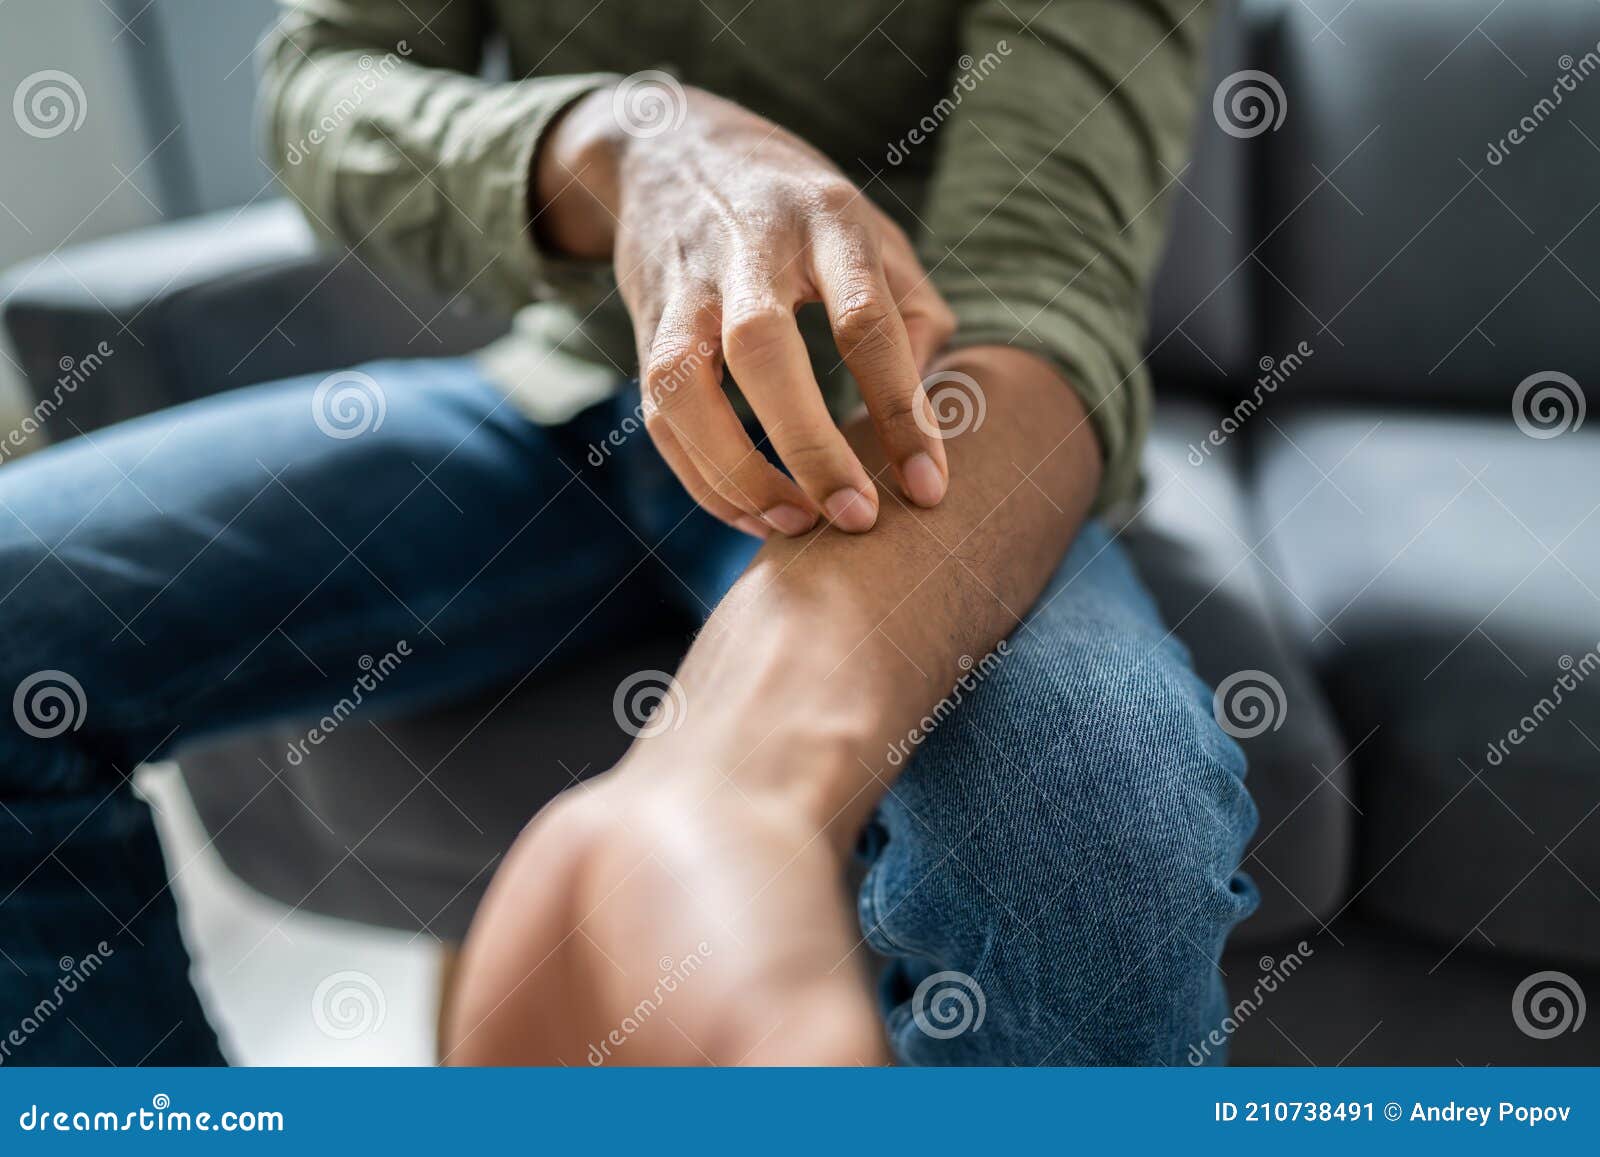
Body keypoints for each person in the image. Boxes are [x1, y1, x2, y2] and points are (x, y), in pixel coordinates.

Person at [0, 0, 1257, 1066]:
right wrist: (601, 142)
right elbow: (320, 92)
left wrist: (730, 790)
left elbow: (1041, 288)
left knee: (1095, 832)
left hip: (918, 421)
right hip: (562, 402)